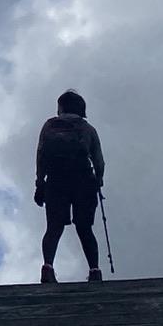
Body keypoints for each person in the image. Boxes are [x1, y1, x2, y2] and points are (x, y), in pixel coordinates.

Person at [34, 89, 105, 284]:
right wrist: (98, 179)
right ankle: (94, 271)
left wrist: (40, 184)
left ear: (61, 107)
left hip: (56, 181)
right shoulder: (87, 128)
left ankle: (47, 267)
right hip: (83, 181)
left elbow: (41, 155)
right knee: (84, 228)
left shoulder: (49, 126)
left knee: (53, 227)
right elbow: (98, 160)